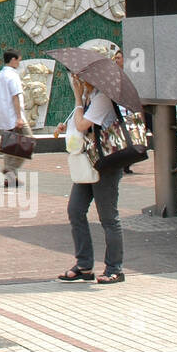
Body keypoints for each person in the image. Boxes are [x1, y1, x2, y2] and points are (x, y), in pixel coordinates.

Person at [56, 73, 126, 285]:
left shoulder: (102, 98)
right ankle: (84, 265)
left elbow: (82, 125)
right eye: (74, 77)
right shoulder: (88, 98)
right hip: (87, 163)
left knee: (108, 217)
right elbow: (76, 127)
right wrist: (63, 127)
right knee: (75, 210)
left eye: (79, 77)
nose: (75, 81)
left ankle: (115, 268)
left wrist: (78, 99)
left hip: (105, 163)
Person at [0, 49, 30, 188]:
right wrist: (19, 117)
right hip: (14, 117)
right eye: (18, 60)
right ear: (13, 60)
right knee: (27, 142)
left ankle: (9, 178)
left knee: (9, 148)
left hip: (4, 117)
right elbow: (15, 97)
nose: (19, 63)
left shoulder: (0, 76)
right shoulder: (12, 76)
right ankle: (10, 169)